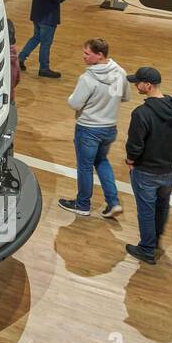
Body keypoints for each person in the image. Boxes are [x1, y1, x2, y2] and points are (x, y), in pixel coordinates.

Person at [122, 66, 172, 265]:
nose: (135, 85)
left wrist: (131, 161)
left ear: (148, 85)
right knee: (162, 206)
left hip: (146, 172)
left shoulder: (141, 113)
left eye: (138, 82)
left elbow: (135, 145)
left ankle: (147, 248)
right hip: (169, 170)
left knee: (146, 210)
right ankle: (156, 239)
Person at [59, 37, 129, 218]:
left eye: (87, 53)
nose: (83, 57)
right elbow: (125, 97)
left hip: (89, 129)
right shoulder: (120, 72)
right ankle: (113, 202)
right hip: (109, 128)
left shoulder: (87, 78)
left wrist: (72, 98)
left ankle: (82, 204)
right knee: (102, 161)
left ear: (99, 55)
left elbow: (75, 103)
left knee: (85, 167)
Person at [18, 0, 72, 78]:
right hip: (48, 17)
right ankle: (44, 68)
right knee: (46, 43)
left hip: (37, 14)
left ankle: (20, 58)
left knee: (36, 38)